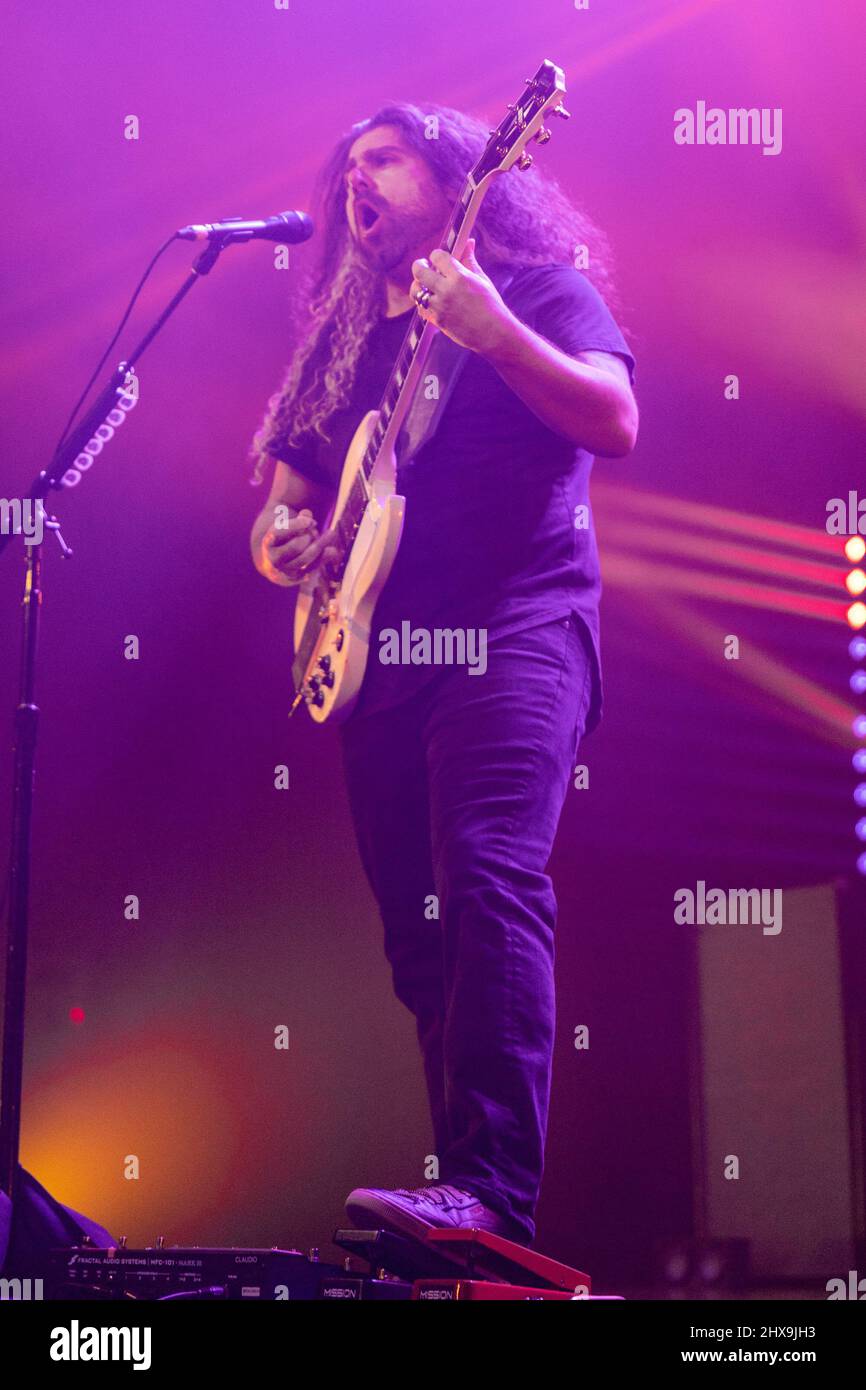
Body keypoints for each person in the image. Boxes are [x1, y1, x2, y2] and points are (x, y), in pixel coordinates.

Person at [249, 102, 638, 1247]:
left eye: (383, 158)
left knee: (484, 874)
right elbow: (280, 506)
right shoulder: (338, 345)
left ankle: (492, 1193)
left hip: (516, 627)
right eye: (346, 170)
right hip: (379, 661)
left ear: (460, 173)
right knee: (420, 935)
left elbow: (614, 420)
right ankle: (460, 1221)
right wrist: (284, 541)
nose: (356, 180)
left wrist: (495, 332)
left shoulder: (534, 284)